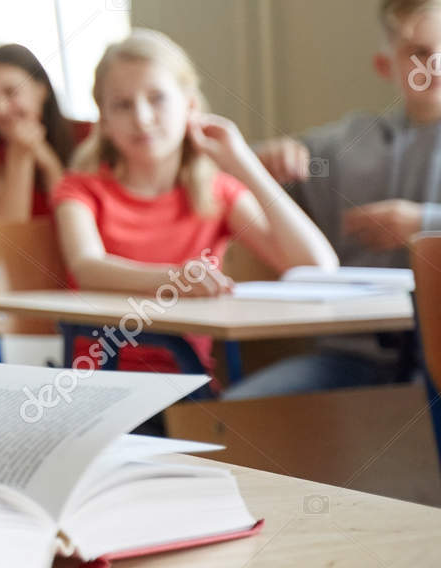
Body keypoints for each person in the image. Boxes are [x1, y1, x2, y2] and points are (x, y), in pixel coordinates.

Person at [53, 30, 337, 377]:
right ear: (105, 121)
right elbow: (87, 267)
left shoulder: (216, 191)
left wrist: (245, 165)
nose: (141, 118)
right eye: (122, 105)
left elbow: (318, 267)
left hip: (187, 386)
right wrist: (173, 278)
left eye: (157, 98)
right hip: (101, 379)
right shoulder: (80, 189)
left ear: (189, 106)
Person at [226, 0, 441, 397]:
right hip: (354, 357)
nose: (434, 64)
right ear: (386, 66)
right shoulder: (349, 142)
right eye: (419, 53)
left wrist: (424, 221)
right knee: (238, 415)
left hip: (435, 358)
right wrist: (269, 156)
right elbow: (241, 175)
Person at [0, 43, 90, 220]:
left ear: (41, 90)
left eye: (11, 92)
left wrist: (48, 162)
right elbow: (8, 236)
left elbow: (80, 222)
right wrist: (20, 155)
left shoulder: (86, 135)